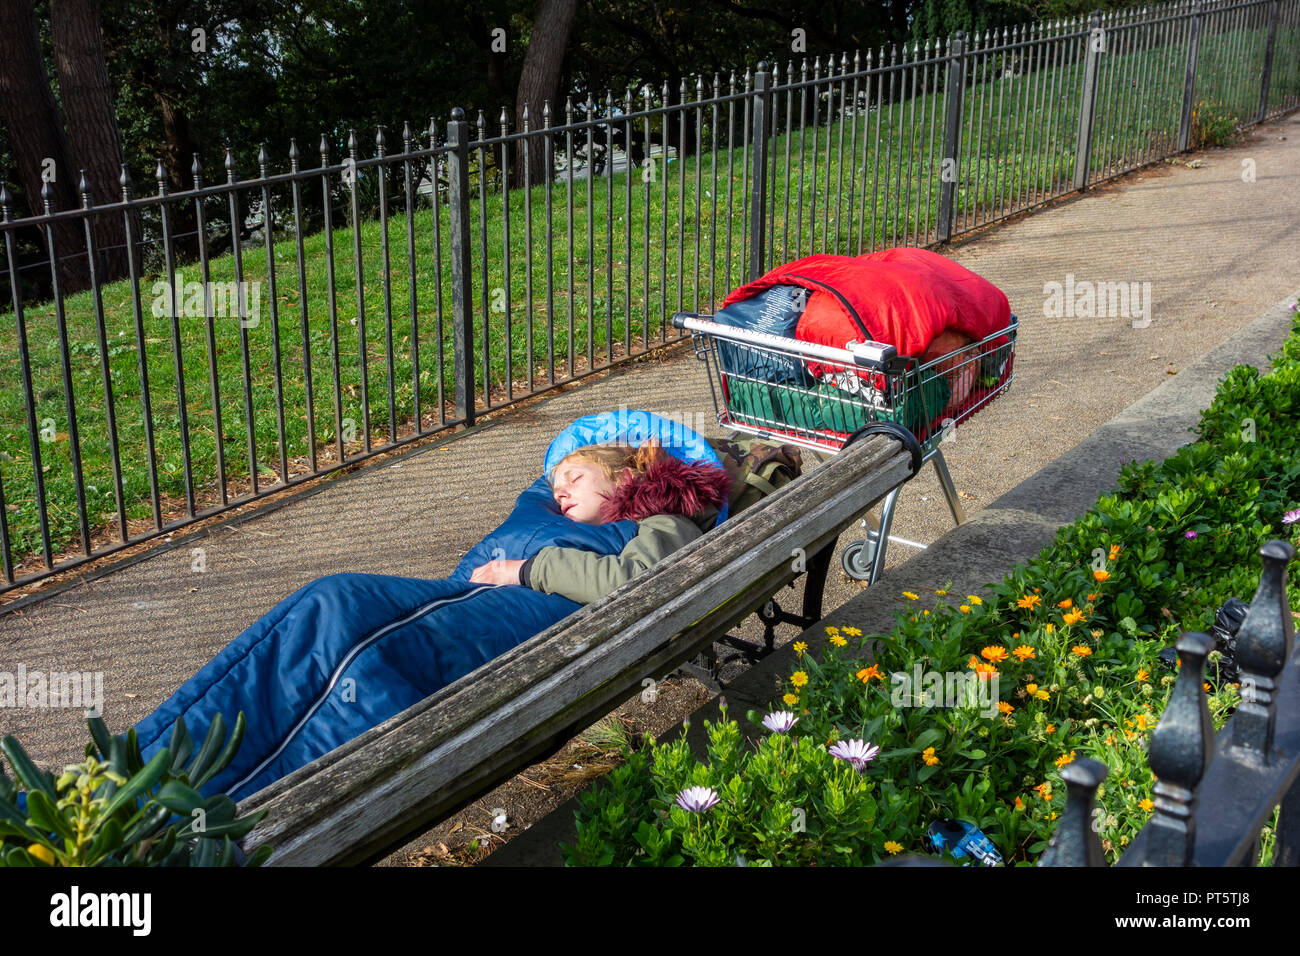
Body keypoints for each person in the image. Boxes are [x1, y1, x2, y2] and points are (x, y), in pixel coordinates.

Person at [469, 438, 731, 603]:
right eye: (557, 492)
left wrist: (526, 570)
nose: (560, 493)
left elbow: (637, 583)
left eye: (575, 479)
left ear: (625, 478)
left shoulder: (667, 521)